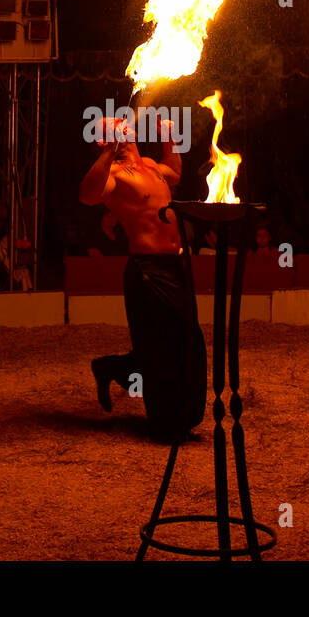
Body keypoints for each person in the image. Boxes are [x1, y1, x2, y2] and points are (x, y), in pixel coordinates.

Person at [80, 116, 205, 443]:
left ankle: (182, 413)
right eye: (113, 124)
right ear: (104, 139)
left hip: (177, 266)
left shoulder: (150, 165)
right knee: (161, 346)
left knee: (185, 339)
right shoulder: (114, 176)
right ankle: (166, 424)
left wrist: (169, 140)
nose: (124, 124)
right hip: (147, 270)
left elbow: (174, 173)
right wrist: (108, 153)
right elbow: (87, 196)